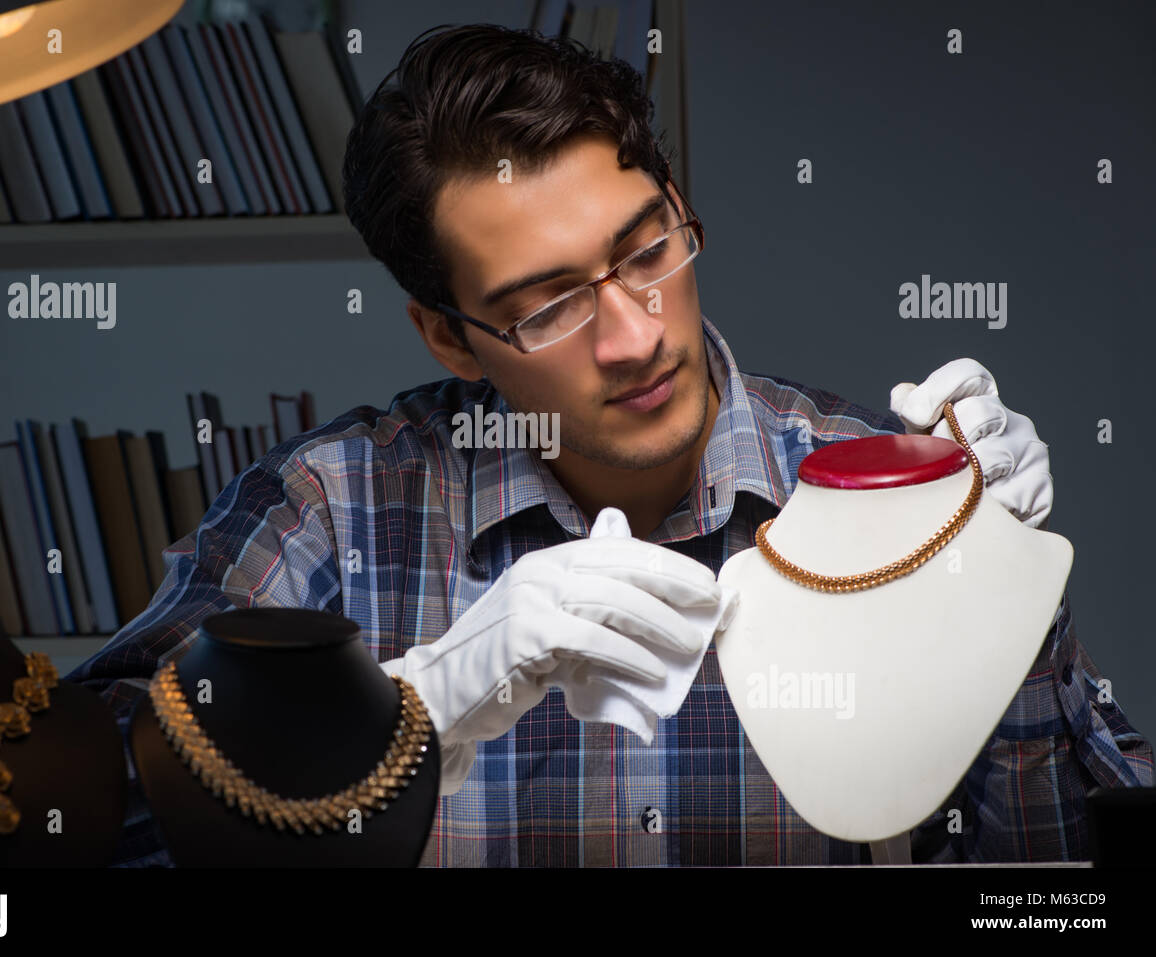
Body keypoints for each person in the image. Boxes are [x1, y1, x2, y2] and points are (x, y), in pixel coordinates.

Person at [65, 23, 1152, 866]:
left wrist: (1002, 603)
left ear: (679, 207)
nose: (635, 338)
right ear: (448, 335)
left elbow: (1045, 892)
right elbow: (77, 824)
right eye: (545, 306)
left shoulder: (877, 489)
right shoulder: (331, 508)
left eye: (645, 252)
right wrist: (410, 709)